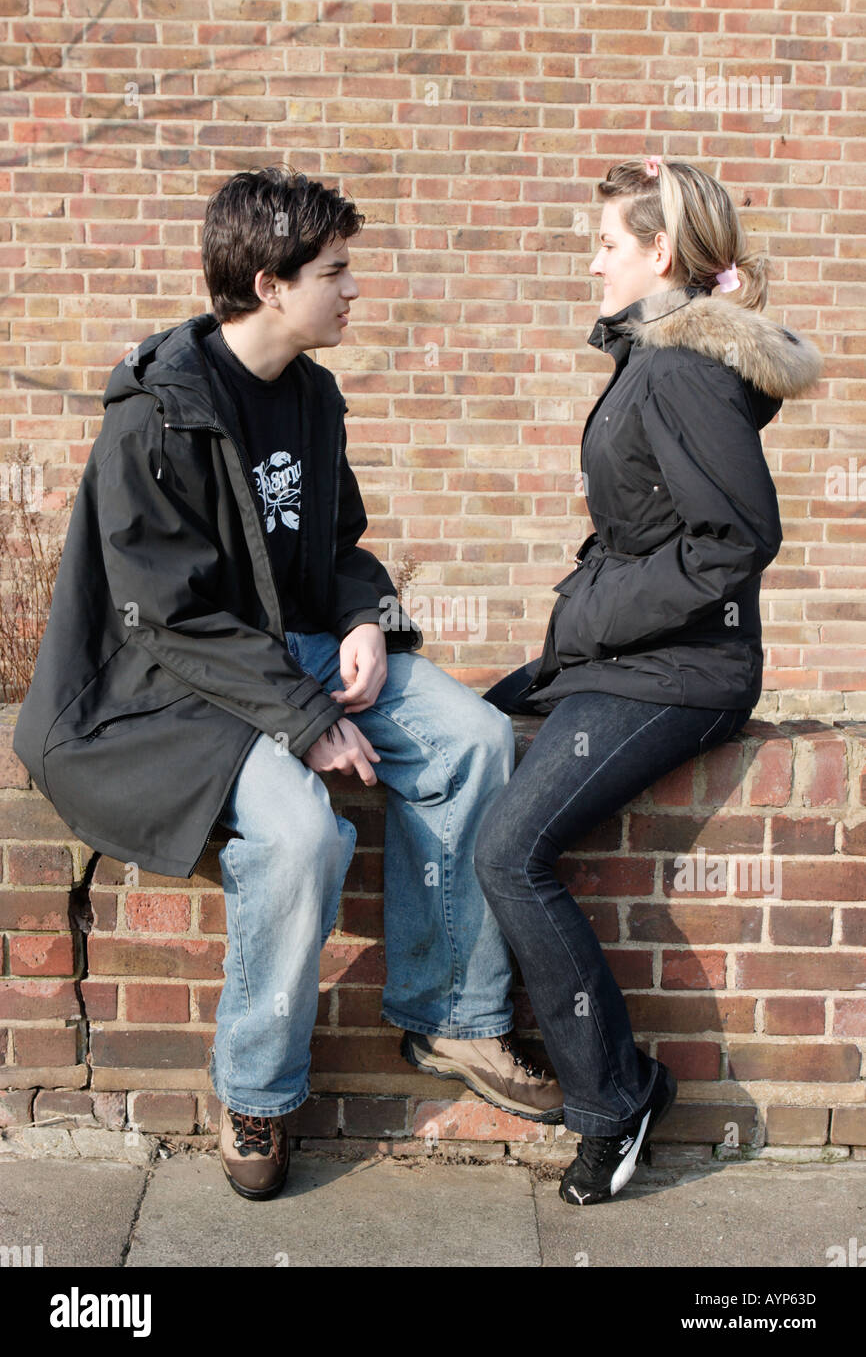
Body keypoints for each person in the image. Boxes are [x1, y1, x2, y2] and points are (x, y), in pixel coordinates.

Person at [12, 166, 564, 1203]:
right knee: (301, 832)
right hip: (167, 688)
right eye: (335, 272)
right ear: (268, 284)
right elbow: (163, 614)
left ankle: (449, 1011)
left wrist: (363, 616)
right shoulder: (156, 416)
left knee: (475, 738)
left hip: (288, 649)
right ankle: (257, 1090)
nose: (353, 291)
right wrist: (307, 720)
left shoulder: (309, 394)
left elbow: (338, 541)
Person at [473, 157, 823, 1207]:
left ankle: (614, 1096)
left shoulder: (673, 372)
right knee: (454, 728)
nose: (592, 260)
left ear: (658, 254)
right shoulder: (649, 360)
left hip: (682, 671)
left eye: (606, 245)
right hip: (625, 657)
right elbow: (648, 524)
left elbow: (734, 542)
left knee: (508, 849)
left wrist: (591, 614)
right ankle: (450, 1016)